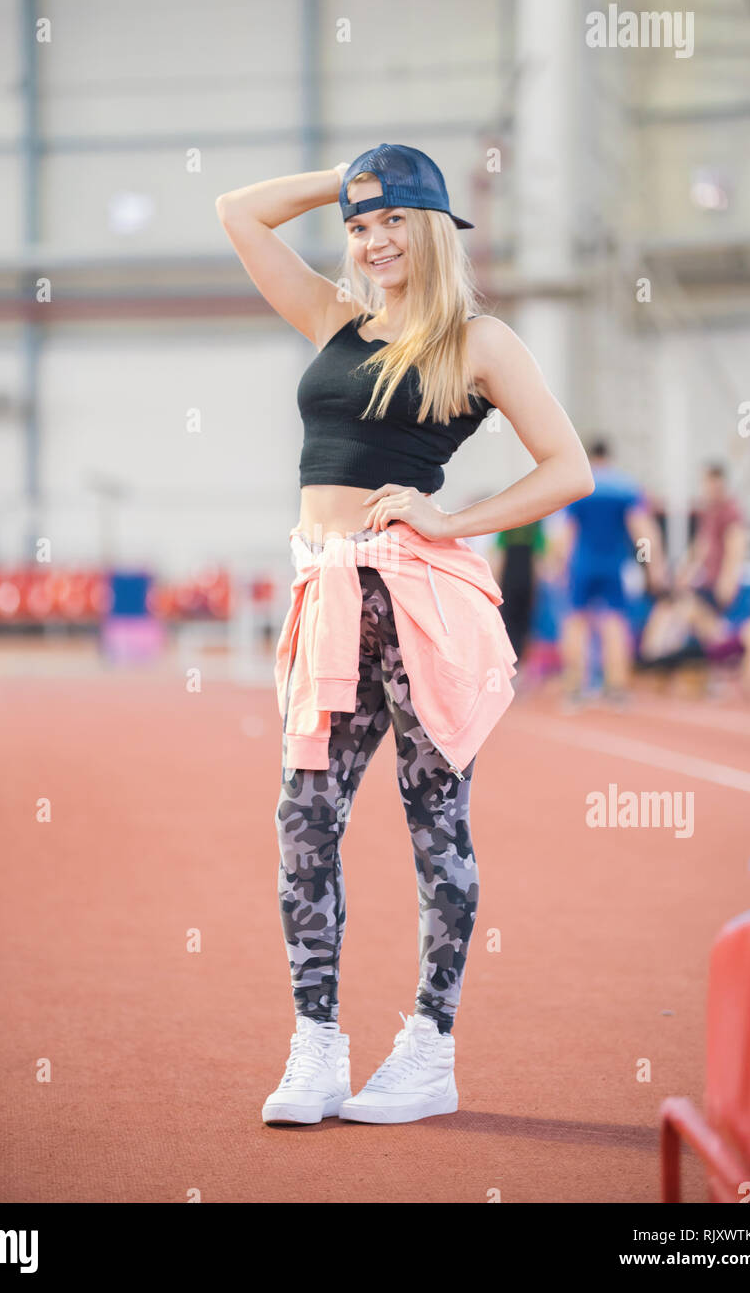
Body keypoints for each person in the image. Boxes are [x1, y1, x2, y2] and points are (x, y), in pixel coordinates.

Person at [216, 143, 593, 1126]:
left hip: (420, 605)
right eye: (357, 224)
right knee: (304, 820)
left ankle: (427, 1050)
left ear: (429, 228)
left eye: (390, 220)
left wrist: (452, 516)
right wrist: (341, 173)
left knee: (435, 830)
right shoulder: (332, 317)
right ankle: (317, 1049)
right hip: (328, 598)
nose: (372, 240)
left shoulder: (479, 341)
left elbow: (566, 469)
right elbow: (237, 213)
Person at [557, 440, 666, 708]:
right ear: (610, 457)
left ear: (589, 457)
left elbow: (566, 532)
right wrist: (654, 567)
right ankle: (616, 688)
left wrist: (559, 565)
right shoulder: (625, 487)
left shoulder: (578, 485)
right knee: (615, 623)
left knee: (576, 622)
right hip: (614, 566)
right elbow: (644, 531)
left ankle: (574, 689)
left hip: (582, 565)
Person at [675, 462, 747, 622]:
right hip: (707, 580)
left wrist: (728, 579)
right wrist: (686, 572)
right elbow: (701, 546)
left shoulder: (730, 511)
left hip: (719, 580)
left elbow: (736, 548)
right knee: (686, 613)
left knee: (701, 618)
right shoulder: (708, 511)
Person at [489, 520, 546, 669]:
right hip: (526, 577)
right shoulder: (535, 523)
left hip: (510, 577)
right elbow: (538, 558)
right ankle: (519, 662)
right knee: (524, 621)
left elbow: (499, 555)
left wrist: (495, 582)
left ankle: (511, 661)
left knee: (509, 620)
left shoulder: (507, 524)